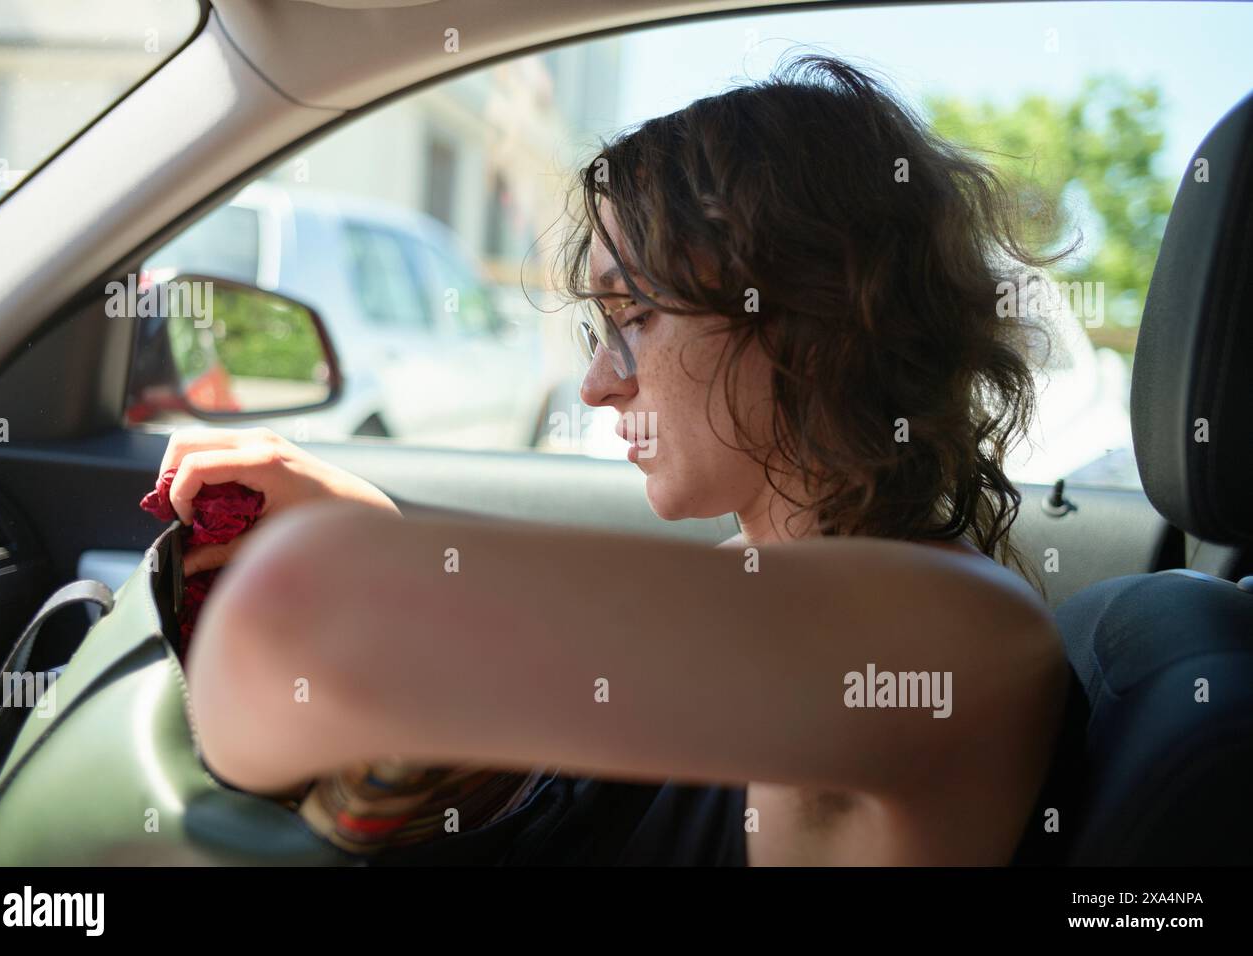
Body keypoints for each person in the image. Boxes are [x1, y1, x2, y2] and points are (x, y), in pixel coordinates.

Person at [168, 54, 1073, 866]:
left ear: (815, 318)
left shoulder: (953, 645)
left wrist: (351, 568)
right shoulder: (757, 581)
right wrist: (376, 543)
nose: (600, 384)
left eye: (635, 317)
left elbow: (258, 708)